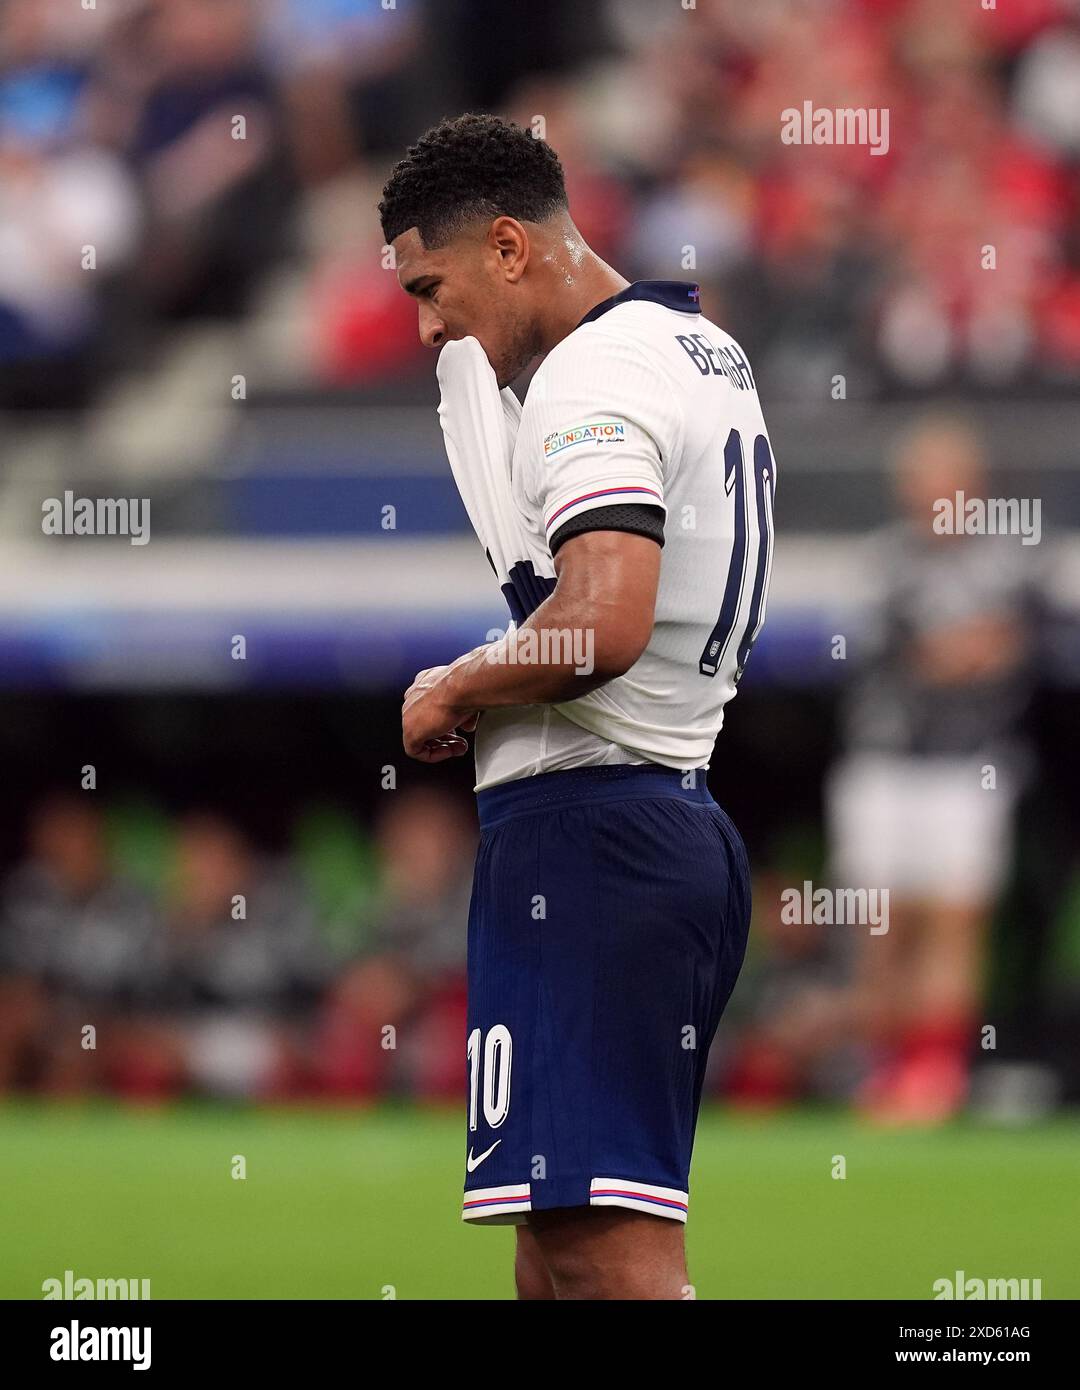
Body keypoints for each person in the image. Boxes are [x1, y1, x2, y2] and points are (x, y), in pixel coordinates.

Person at [378, 113, 777, 1299]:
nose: (427, 325)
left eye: (432, 286)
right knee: (553, 1252)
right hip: (639, 819)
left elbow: (603, 617)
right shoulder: (694, 343)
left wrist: (454, 686)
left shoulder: (590, 374)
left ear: (509, 247)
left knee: (608, 1256)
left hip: (598, 833)